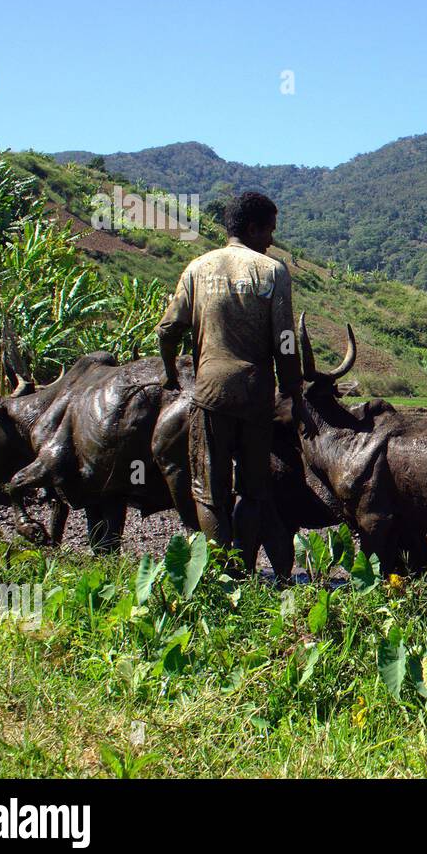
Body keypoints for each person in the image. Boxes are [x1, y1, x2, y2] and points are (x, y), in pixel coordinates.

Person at [156, 191, 304, 573]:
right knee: (253, 492)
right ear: (252, 228)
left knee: (209, 493)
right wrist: (292, 390)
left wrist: (172, 373)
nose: (271, 239)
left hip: (210, 393)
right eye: (269, 230)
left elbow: (168, 330)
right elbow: (284, 341)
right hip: (256, 396)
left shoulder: (198, 268)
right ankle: (245, 568)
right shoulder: (272, 272)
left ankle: (221, 576)